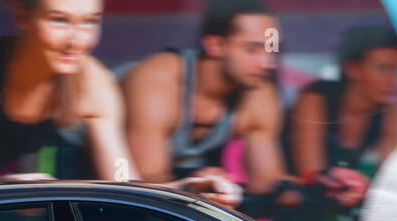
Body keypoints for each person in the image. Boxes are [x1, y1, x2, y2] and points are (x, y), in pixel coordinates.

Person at [0, 0, 241, 203]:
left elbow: (125, 187)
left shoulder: (96, 83)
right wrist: (18, 189)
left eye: (89, 22)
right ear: (22, 16)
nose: (76, 41)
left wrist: (187, 189)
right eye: (59, 20)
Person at [121, 0, 299, 207]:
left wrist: (318, 186)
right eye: (252, 50)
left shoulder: (259, 92)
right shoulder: (157, 81)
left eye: (272, 50)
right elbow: (140, 183)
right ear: (215, 45)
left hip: (180, 190)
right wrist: (197, 184)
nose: (268, 63)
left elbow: (267, 185)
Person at [288, 25, 397, 209]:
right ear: (352, 69)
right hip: (295, 210)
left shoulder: (388, 112)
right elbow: (312, 176)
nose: (392, 80)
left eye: (396, 70)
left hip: (344, 207)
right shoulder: (315, 100)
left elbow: (392, 178)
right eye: (382, 69)